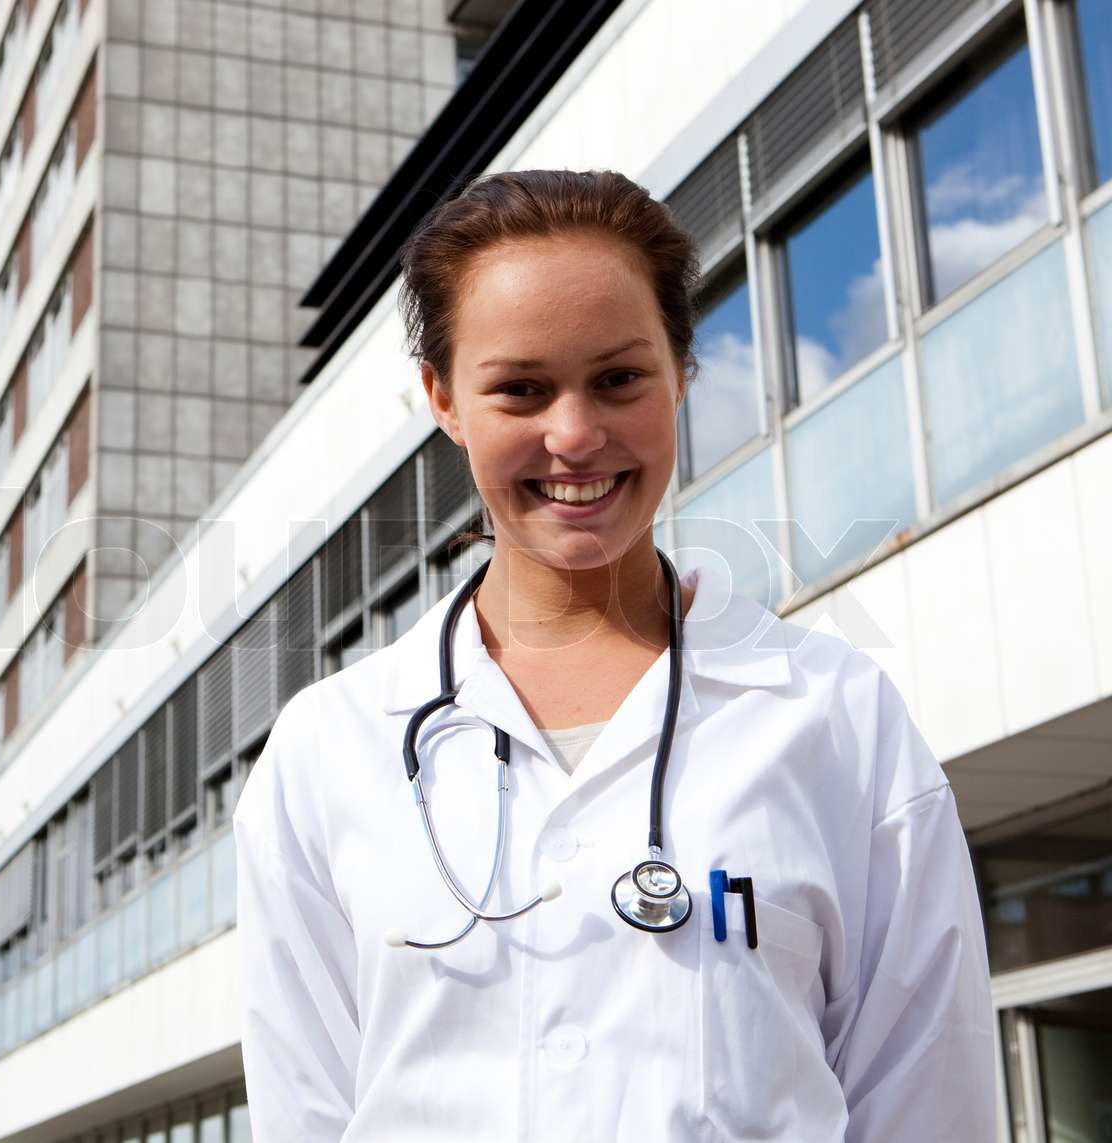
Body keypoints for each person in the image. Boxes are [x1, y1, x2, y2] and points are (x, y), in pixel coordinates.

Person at [230, 168, 995, 1142]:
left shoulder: (837, 716)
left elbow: (930, 1102)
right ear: (444, 399)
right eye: (520, 389)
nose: (575, 435)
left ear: (680, 373)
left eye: (618, 380)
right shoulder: (327, 751)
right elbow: (305, 1115)